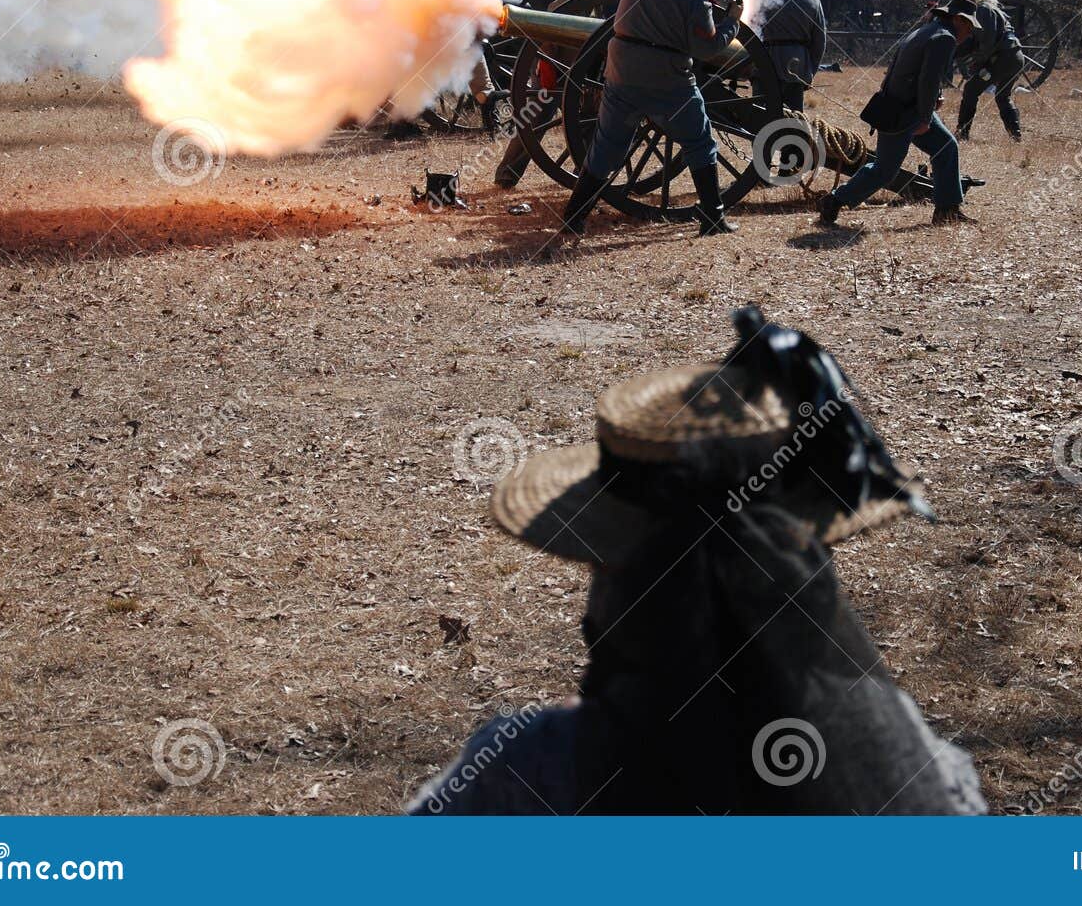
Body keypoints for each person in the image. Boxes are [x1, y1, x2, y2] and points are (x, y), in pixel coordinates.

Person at [409, 306, 986, 816]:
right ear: (804, 553)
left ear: (608, 565)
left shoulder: (526, 769)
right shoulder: (903, 761)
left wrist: (580, 725)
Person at [557, 0, 744, 239]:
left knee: (606, 147)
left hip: (620, 72)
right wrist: (732, 21)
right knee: (699, 141)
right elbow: (707, 48)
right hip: (667, 79)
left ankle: (574, 216)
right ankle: (713, 216)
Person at [816, 0, 973, 227]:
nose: (969, 33)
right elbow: (928, 80)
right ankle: (834, 201)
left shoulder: (926, 30)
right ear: (958, 19)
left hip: (904, 106)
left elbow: (919, 73)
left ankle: (947, 210)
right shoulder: (944, 38)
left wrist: (930, 102)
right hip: (903, 112)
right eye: (969, 26)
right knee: (884, 170)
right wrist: (925, 117)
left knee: (946, 147)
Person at [495, 0, 620, 189]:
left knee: (591, 118)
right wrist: (547, 66)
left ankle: (585, 171)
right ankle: (506, 175)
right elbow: (546, 27)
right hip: (553, 67)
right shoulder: (570, 0)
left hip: (577, 75)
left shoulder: (597, 6)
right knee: (535, 119)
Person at [757, 0, 827, 112]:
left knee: (761, 116)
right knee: (793, 119)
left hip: (765, 61)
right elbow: (819, 41)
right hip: (797, 64)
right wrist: (809, 71)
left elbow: (750, 26)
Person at [953, 0, 1024, 141]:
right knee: (1003, 96)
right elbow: (976, 42)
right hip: (1015, 57)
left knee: (970, 90)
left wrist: (978, 63)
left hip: (1001, 59)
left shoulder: (984, 9)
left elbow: (987, 42)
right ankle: (1015, 134)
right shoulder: (991, 10)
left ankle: (962, 132)